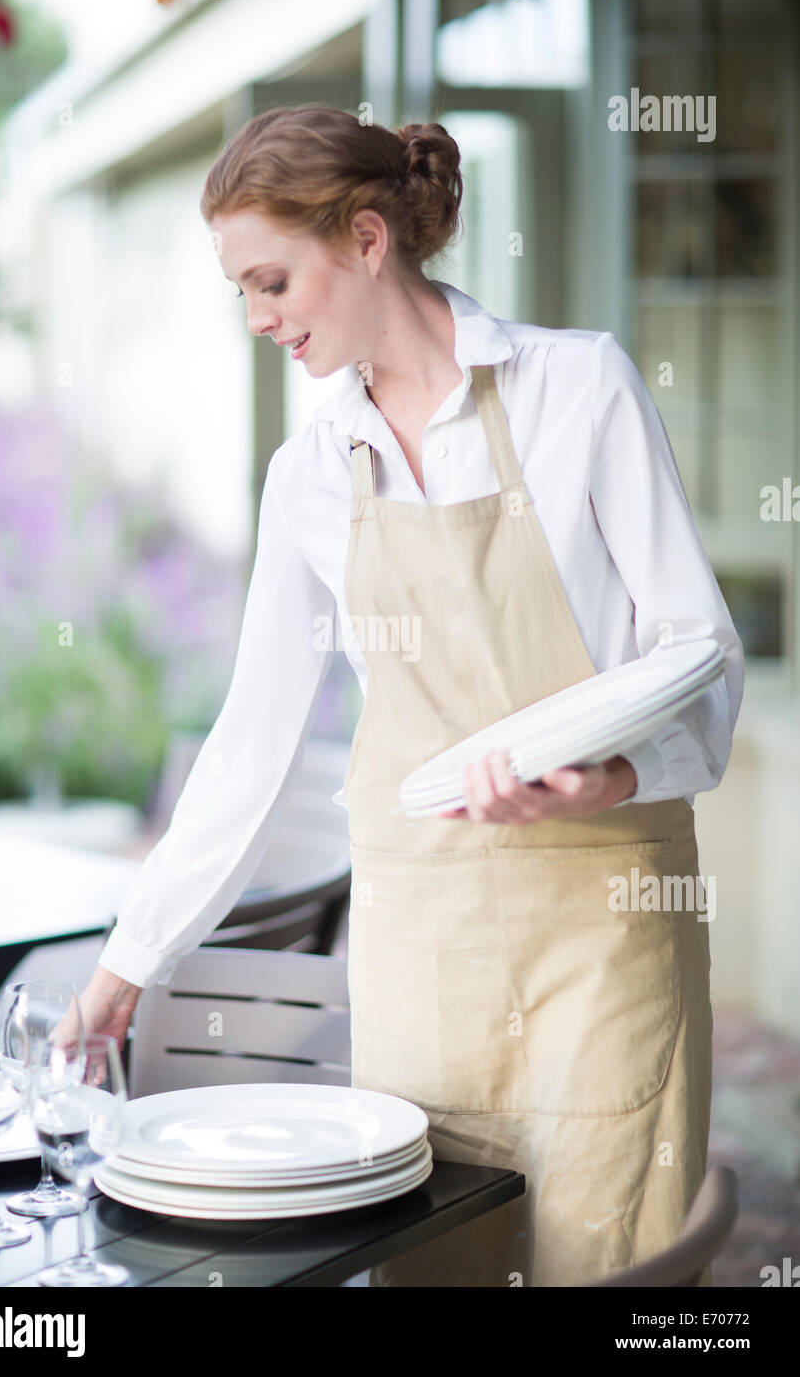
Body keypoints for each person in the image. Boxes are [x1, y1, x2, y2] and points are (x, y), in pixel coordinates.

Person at [78, 104, 744, 1286]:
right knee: (435, 1271)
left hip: (601, 930)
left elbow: (698, 652)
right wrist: (129, 963)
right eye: (242, 291)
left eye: (272, 280)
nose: (258, 319)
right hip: (420, 952)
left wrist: (615, 774)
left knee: (605, 1264)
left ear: (368, 238)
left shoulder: (573, 390)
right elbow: (250, 744)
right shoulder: (308, 475)